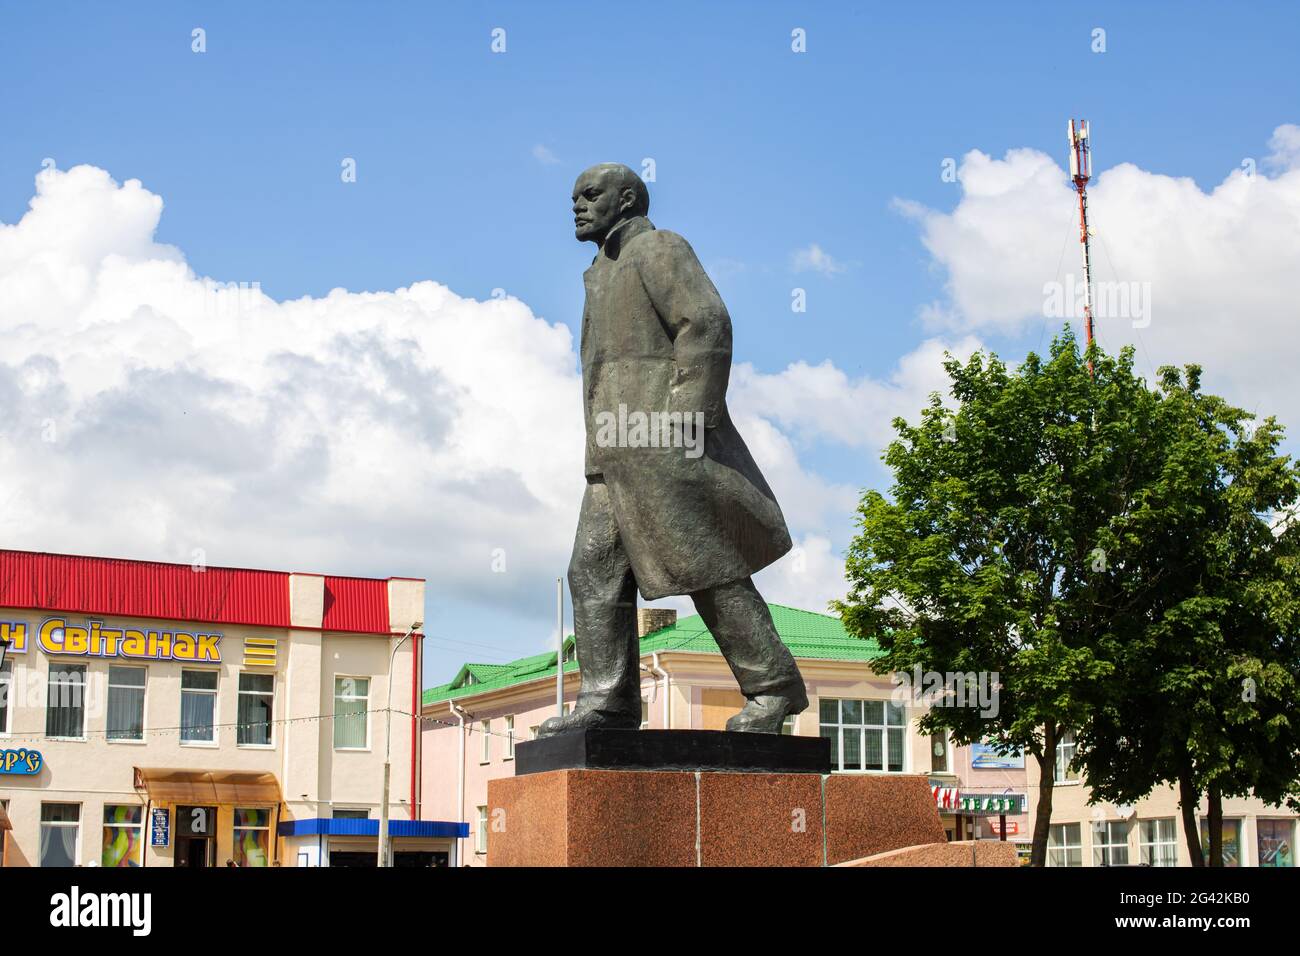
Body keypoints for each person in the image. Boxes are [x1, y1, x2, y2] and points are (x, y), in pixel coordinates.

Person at [539, 164, 808, 737]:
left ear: (628, 198)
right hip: (614, 449)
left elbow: (706, 324)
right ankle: (607, 700)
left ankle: (773, 689)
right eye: (574, 198)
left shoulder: (658, 249)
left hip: (660, 439)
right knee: (592, 570)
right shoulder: (600, 272)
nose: (578, 206)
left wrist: (684, 418)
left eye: (591, 195)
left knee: (705, 564)